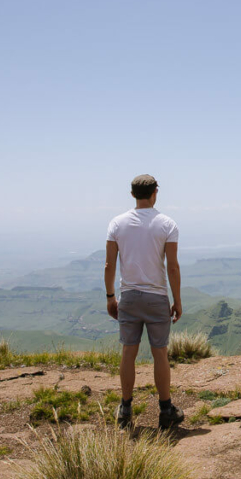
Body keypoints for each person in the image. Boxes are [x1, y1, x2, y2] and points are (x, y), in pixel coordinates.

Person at [104, 174, 184, 430]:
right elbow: (172, 267)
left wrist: (110, 296)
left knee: (129, 351)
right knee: (160, 353)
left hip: (128, 296)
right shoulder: (167, 224)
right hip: (157, 297)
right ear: (155, 192)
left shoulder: (117, 224)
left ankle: (125, 408)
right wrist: (177, 300)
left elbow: (109, 264)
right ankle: (165, 410)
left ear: (132, 194)